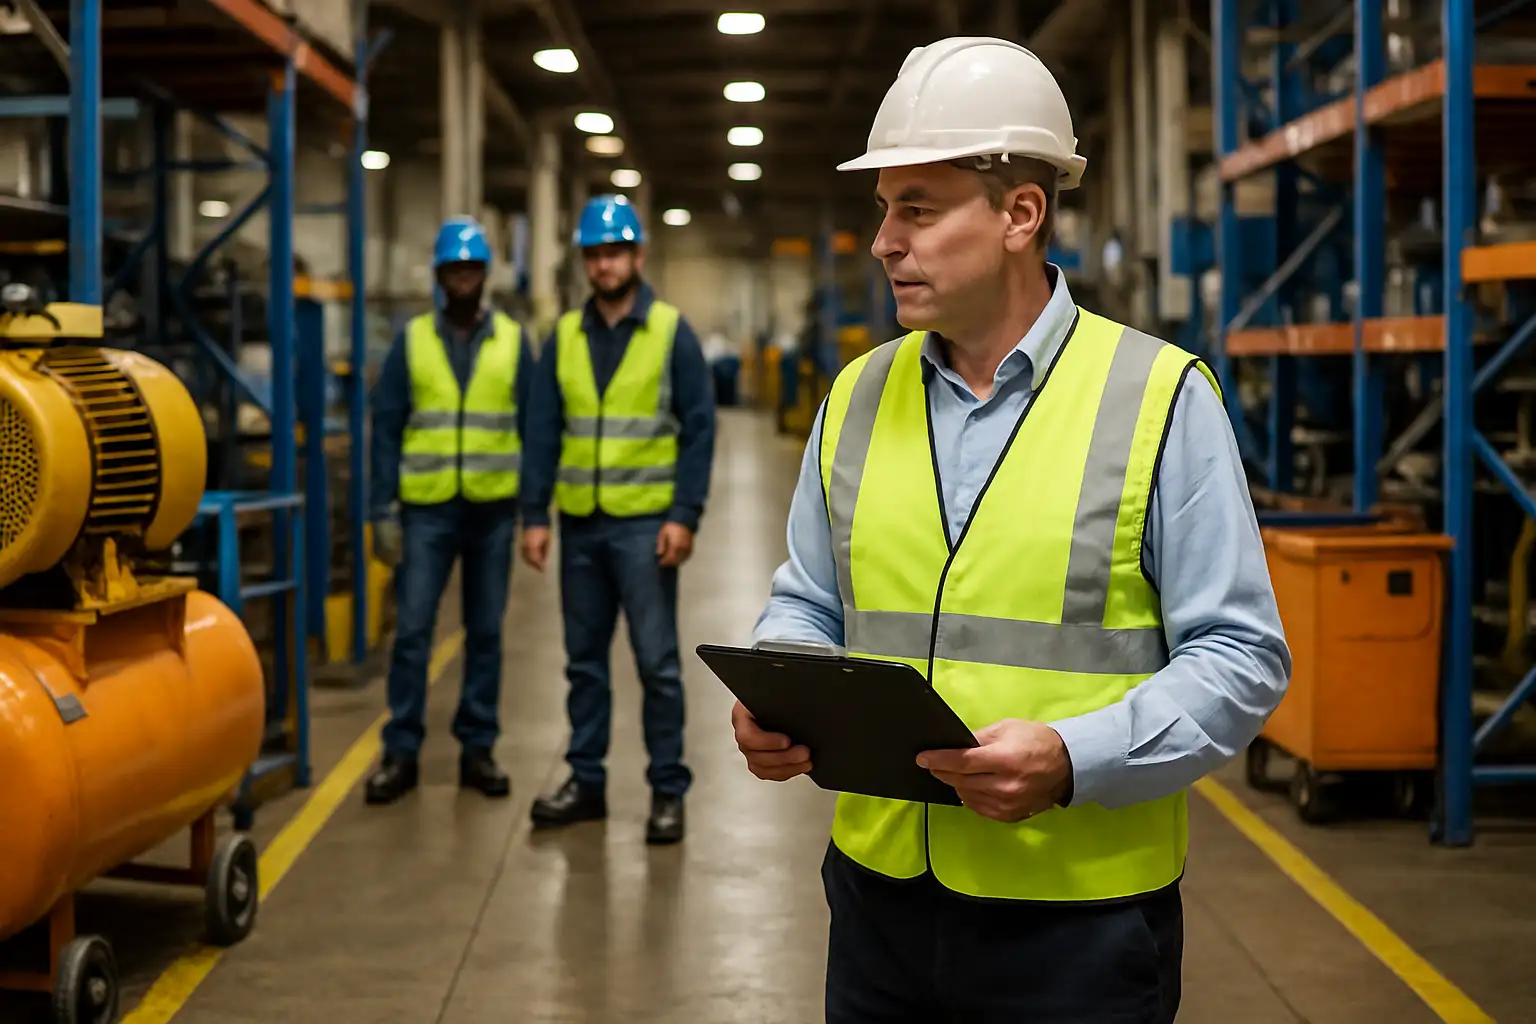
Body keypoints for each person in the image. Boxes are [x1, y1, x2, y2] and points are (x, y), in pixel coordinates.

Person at [737, 37, 1291, 1022]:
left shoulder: (1159, 399)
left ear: (1019, 215)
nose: (884, 242)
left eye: (918, 208)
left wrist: (1076, 757)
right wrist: (784, 685)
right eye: (884, 211)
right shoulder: (857, 397)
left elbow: (1240, 656)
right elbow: (810, 597)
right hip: (879, 906)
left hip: (1076, 924)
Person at [519, 194, 717, 845]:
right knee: (584, 663)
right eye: (594, 255)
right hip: (579, 526)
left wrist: (684, 514)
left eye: (615, 253)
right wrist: (534, 515)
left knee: (656, 662)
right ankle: (587, 783)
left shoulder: (669, 331)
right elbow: (544, 430)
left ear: (637, 256)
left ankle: (668, 789)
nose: (604, 266)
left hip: (644, 527)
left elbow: (699, 429)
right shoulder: (565, 339)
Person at [364, 216, 534, 805]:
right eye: (453, 269)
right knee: (411, 632)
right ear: (440, 275)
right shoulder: (411, 341)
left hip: (492, 511)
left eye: (471, 269)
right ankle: (401, 750)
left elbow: (533, 427)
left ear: (484, 275)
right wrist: (380, 508)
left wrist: (533, 509)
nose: (463, 278)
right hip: (427, 510)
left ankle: (477, 749)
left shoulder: (513, 341)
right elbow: (385, 427)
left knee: (484, 634)